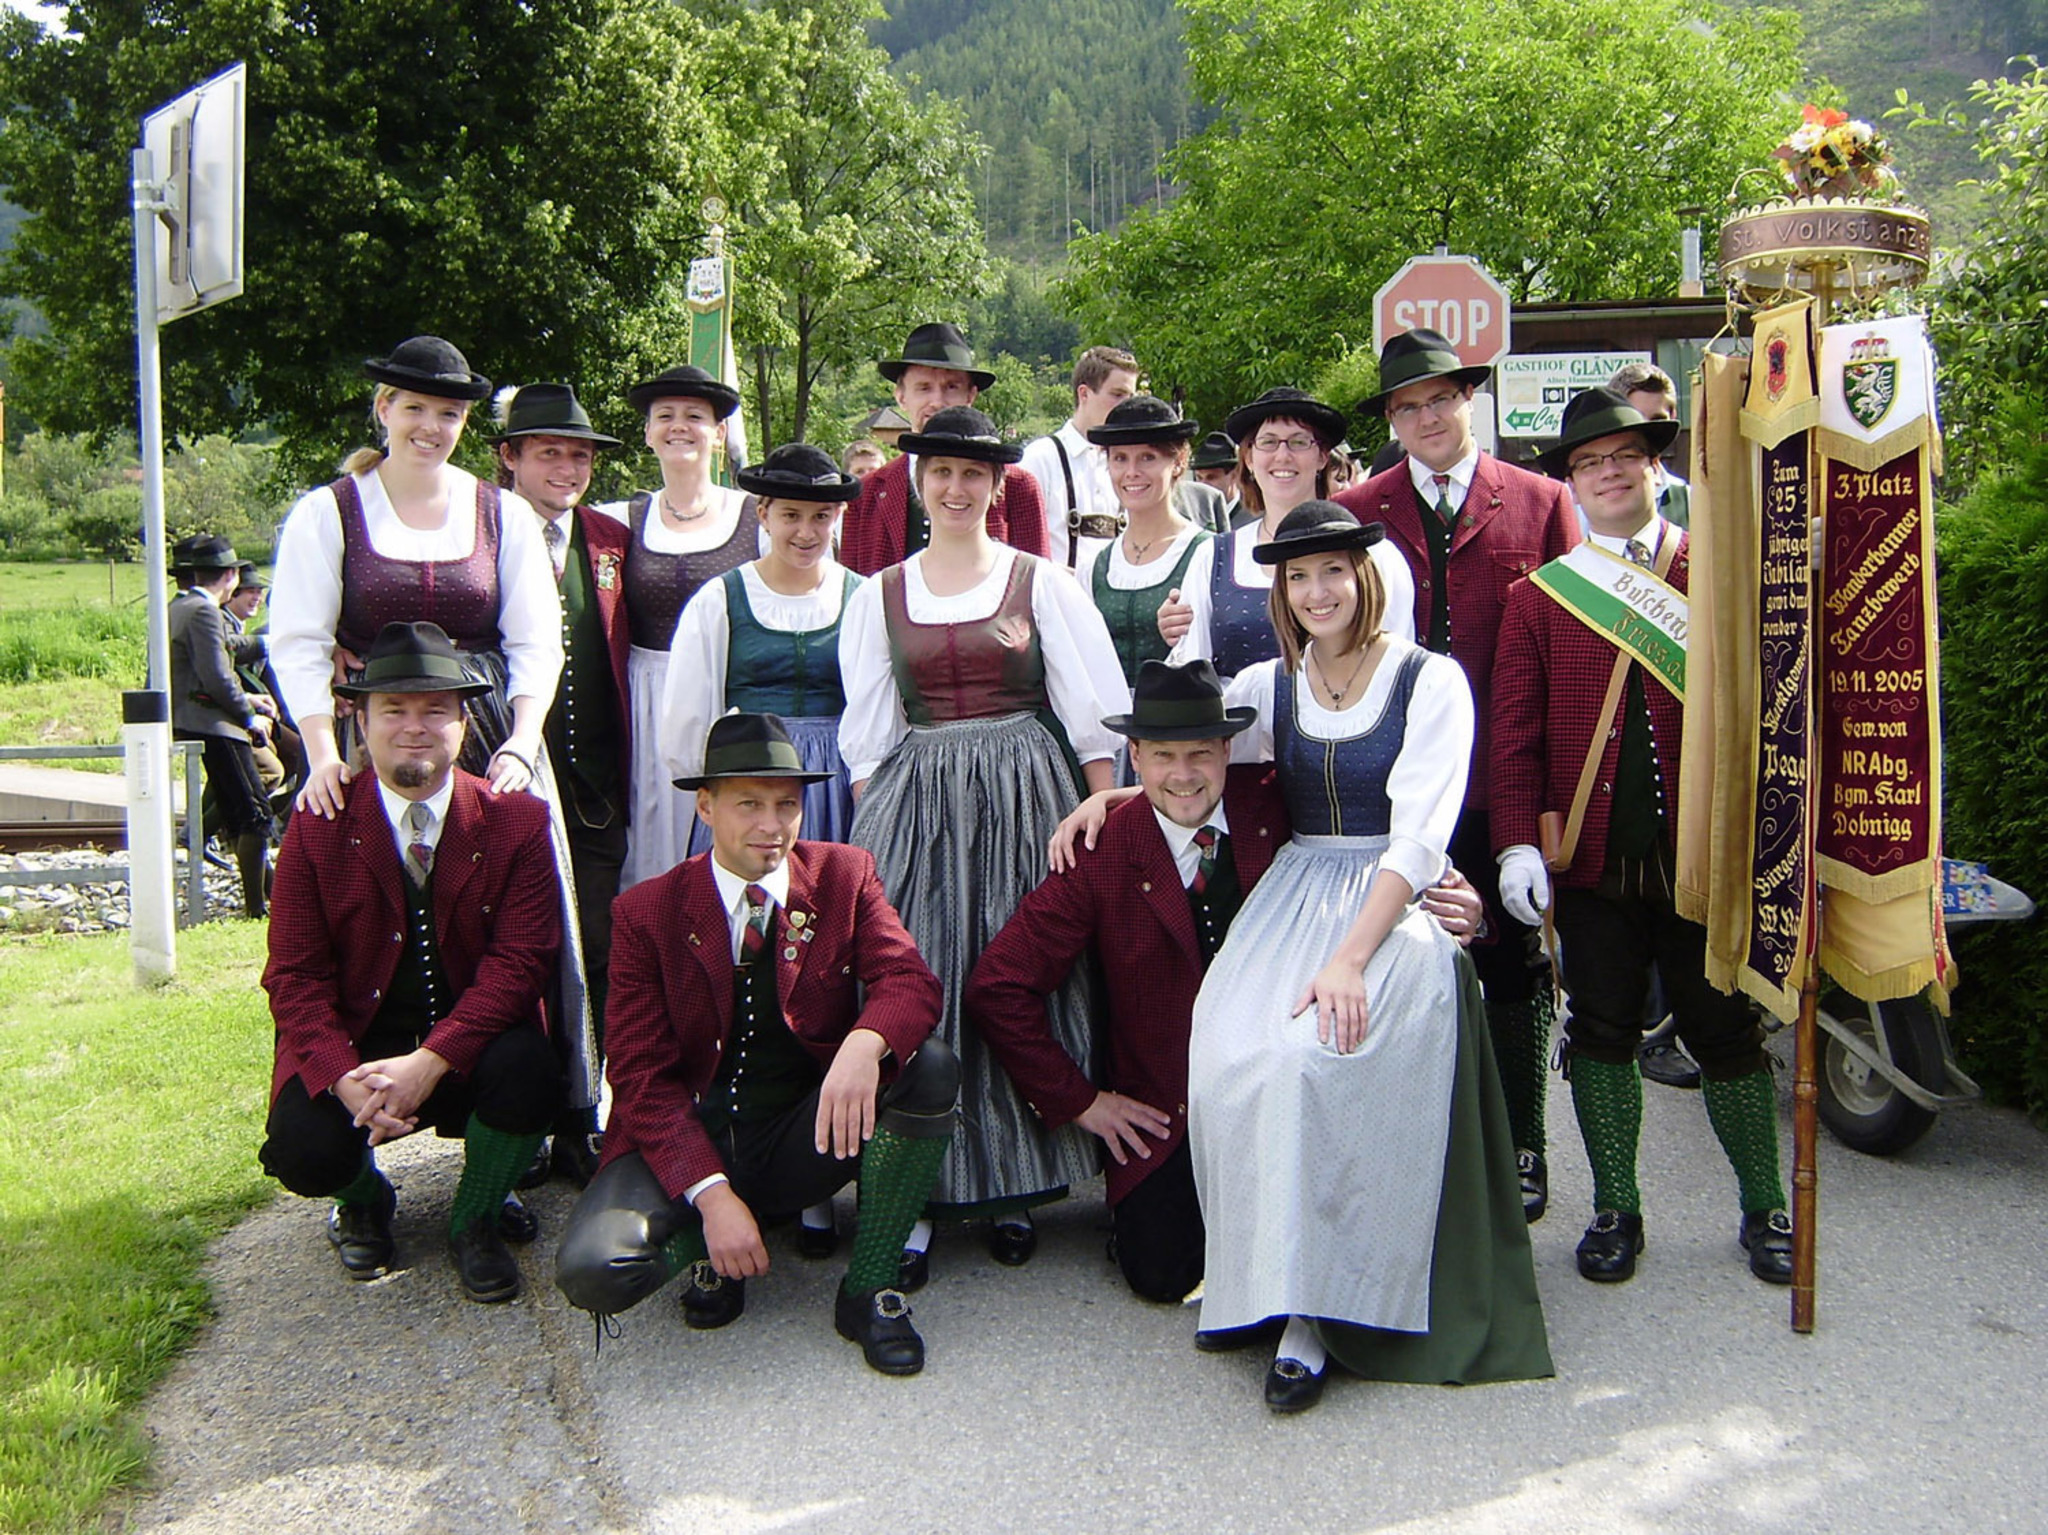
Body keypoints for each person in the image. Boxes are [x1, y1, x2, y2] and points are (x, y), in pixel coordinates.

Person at [971, 659, 1485, 1306]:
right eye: (1162, 756)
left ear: (1227, 751)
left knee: (1315, 1250)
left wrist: (1460, 897)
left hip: (1278, 1085)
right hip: (1172, 1109)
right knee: (1162, 1273)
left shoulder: (1275, 804)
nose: (1183, 775)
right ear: (1134, 754)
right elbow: (998, 986)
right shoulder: (1100, 853)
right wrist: (1081, 1102)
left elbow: (1380, 832)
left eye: (1200, 753)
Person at [1192, 503, 1549, 1411]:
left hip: (1392, 902)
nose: (1317, 591)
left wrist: (1350, 957)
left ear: (1366, 577)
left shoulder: (1428, 681)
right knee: (1236, 1043)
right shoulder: (1269, 685)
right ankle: (1259, 1273)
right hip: (1296, 888)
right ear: (1281, 589)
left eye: (1333, 572)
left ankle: (1320, 1312)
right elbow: (1182, 757)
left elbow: (1420, 835)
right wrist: (1103, 804)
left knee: (1321, 1055)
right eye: (1299, 576)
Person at [268, 338, 593, 1204]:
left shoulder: (500, 514)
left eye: (448, 413)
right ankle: (358, 1152)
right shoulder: (328, 512)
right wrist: (322, 755)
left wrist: (523, 741)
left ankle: (509, 1144)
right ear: (384, 410)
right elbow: (296, 640)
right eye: (415, 408)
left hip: (487, 730)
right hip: (371, 734)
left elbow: (535, 639)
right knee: (361, 932)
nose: (432, 426)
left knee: (518, 943)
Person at [1491, 386, 1792, 1287]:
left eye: (1624, 454)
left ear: (1653, 464)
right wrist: (1514, 842)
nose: (1609, 471)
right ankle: (1616, 1206)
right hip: (1591, 863)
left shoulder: (1722, 571)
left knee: (1725, 1030)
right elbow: (1515, 733)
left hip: (1704, 856)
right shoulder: (1541, 599)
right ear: (1573, 484)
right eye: (1589, 462)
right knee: (1602, 1029)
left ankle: (1763, 1205)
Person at [554, 713, 959, 1376]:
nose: (772, 825)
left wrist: (867, 1040)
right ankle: (715, 1245)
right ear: (706, 805)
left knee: (931, 1064)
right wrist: (710, 1195)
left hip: (799, 1137)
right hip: (685, 1139)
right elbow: (640, 1075)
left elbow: (910, 979)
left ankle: (870, 1288)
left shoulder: (843, 875)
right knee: (593, 1270)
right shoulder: (645, 912)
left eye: (787, 804)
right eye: (749, 803)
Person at [838, 405, 1128, 1278]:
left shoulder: (1041, 582)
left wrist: (1101, 816)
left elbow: (1094, 720)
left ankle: (1018, 1184)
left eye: (973, 474)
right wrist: (875, 837)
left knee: (1017, 977)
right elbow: (868, 735)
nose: (957, 488)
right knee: (924, 980)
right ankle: (919, 1193)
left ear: (997, 486)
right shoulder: (880, 593)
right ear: (919, 484)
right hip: (920, 801)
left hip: (1023, 800)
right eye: (941, 473)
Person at [1335, 326, 1581, 1222]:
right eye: (1408, 406)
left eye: (1441, 398)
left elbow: (1569, 649)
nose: (1428, 417)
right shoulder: (1363, 503)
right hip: (1388, 781)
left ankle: (1523, 1143)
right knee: (1396, 960)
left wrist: (1547, 793)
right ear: (1392, 422)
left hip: (1498, 779)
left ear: (1469, 398)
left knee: (1511, 965)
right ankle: (1411, 1148)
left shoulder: (1542, 500)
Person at [259, 621, 563, 1303]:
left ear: (463, 721)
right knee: (302, 1147)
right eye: (393, 708)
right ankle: (364, 1198)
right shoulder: (317, 824)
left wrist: (431, 1061)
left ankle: (476, 1214)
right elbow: (294, 978)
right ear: (360, 720)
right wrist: (342, 1078)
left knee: (532, 1074)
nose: (414, 726)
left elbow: (521, 963)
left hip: (467, 1047)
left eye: (435, 709)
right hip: (360, 1050)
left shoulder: (515, 821)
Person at [493, 382, 632, 1187]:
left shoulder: (612, 537)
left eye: (579, 453)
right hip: (512, 783)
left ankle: (589, 1113)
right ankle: (524, 1118)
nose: (568, 466)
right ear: (509, 457)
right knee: (522, 949)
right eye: (549, 450)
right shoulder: (478, 533)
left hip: (599, 787)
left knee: (605, 948)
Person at [605, 364, 760, 890]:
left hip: (725, 699)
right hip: (647, 699)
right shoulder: (624, 518)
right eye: (664, 416)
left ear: (718, 434)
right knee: (651, 835)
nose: (678, 426)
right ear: (648, 433)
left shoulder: (753, 516)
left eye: (695, 416)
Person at [663, 442, 863, 848]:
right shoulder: (720, 598)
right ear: (763, 515)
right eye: (791, 515)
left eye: (820, 517)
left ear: (837, 518)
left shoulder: (862, 596)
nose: (806, 532)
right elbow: (688, 714)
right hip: (747, 774)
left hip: (836, 781)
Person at [1161, 387, 1414, 680]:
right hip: (1240, 725)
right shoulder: (1212, 558)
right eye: (1268, 442)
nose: (1283, 455)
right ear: (1249, 459)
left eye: (1298, 442)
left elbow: (1396, 670)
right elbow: (1193, 671)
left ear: (1322, 457)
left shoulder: (1374, 555)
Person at [836, 323, 1048, 575]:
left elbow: (1035, 586)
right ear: (901, 396)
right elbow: (853, 593)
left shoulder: (1018, 486)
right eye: (924, 388)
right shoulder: (867, 493)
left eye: (951, 387)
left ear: (971, 395)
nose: (937, 401)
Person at [167, 533, 275, 917]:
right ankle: (256, 908)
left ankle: (269, 893)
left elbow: (217, 657)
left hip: (197, 718)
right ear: (230, 576)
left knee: (242, 813)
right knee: (256, 814)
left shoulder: (182, 607)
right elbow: (215, 675)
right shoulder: (204, 611)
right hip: (213, 724)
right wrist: (249, 717)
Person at [1076, 396, 1213, 688]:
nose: (1131, 472)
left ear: (1178, 463)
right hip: (1108, 727)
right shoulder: (1095, 567)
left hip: (1183, 725)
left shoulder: (1208, 553)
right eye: (1120, 458)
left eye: (1148, 458)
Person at [1018, 344, 1140, 571]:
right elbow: (1021, 554)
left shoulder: (1130, 465)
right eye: (1117, 395)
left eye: (1131, 397)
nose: (1127, 406)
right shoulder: (1039, 459)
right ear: (1084, 393)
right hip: (1053, 601)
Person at [1606, 360, 1690, 528]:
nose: (1648, 431)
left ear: (1673, 417)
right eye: (1635, 420)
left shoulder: (1690, 501)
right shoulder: (1579, 504)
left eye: (1657, 420)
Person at [1189, 431, 1247, 526]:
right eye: (1199, 478)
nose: (1203, 485)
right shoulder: (1192, 520)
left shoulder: (1254, 519)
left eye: (1211, 477)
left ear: (1235, 475)